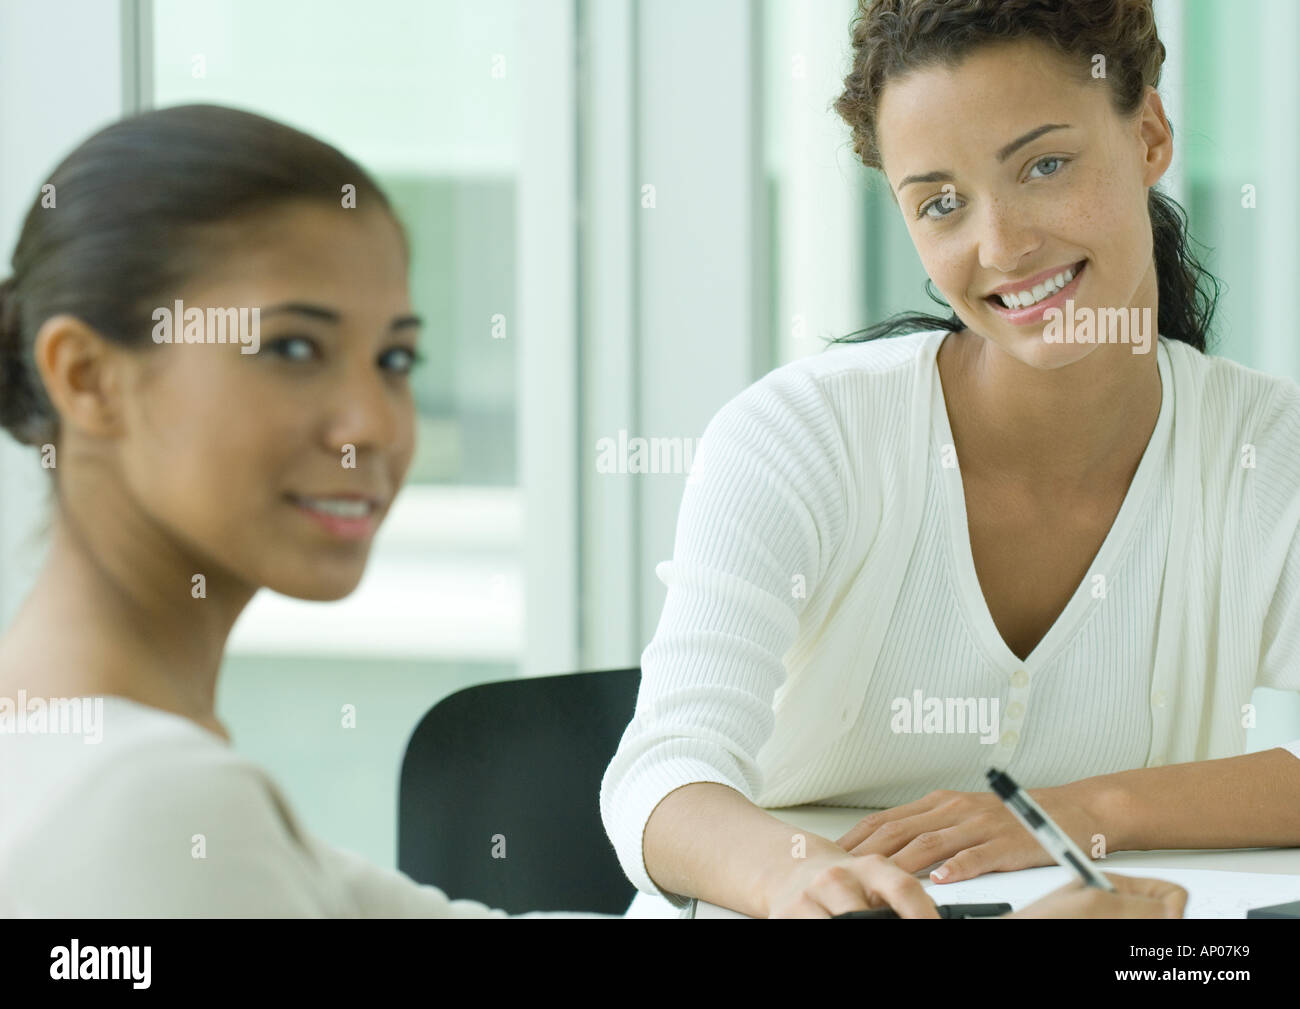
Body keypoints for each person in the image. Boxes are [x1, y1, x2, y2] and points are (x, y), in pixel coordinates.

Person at [602, 0, 1300, 919]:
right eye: (940, 203)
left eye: (1045, 165)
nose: (1001, 246)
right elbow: (663, 773)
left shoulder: (1264, 455)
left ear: (1150, 135)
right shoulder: (802, 434)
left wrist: (1085, 811)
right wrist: (808, 881)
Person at [0, 104, 601, 917]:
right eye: (291, 348)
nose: (375, 426)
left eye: (395, 358)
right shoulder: (152, 801)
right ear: (87, 377)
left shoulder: (104, 764)